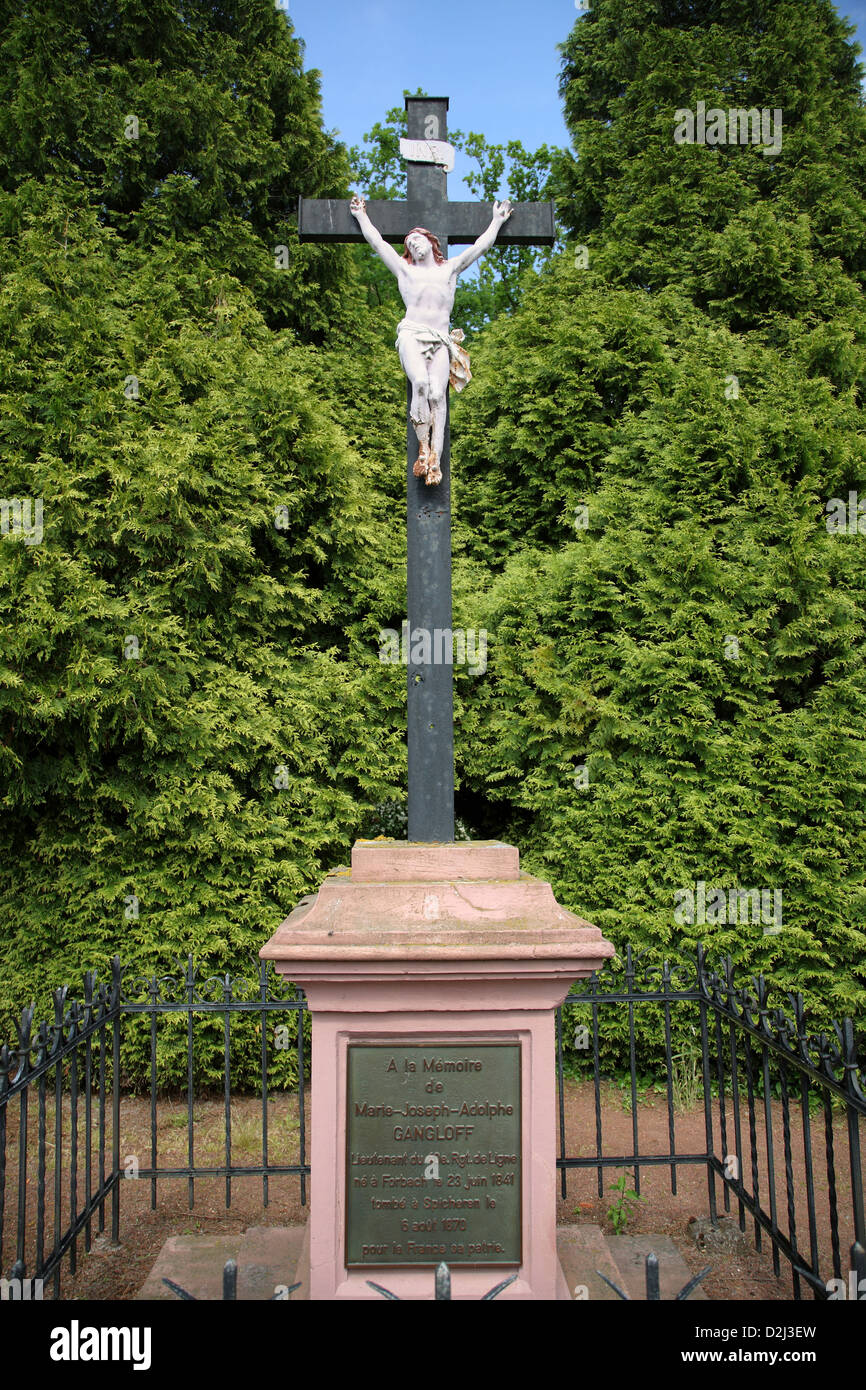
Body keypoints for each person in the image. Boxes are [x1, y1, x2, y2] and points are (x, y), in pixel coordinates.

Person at [349, 194, 513, 484]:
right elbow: (377, 242)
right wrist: (362, 216)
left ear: (430, 243)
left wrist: (497, 221)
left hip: (439, 339)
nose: (413, 244)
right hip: (412, 333)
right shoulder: (404, 270)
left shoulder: (448, 269)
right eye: (409, 244)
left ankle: (435, 458)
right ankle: (423, 447)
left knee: (438, 394)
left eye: (417, 240)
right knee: (421, 385)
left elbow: (480, 247)